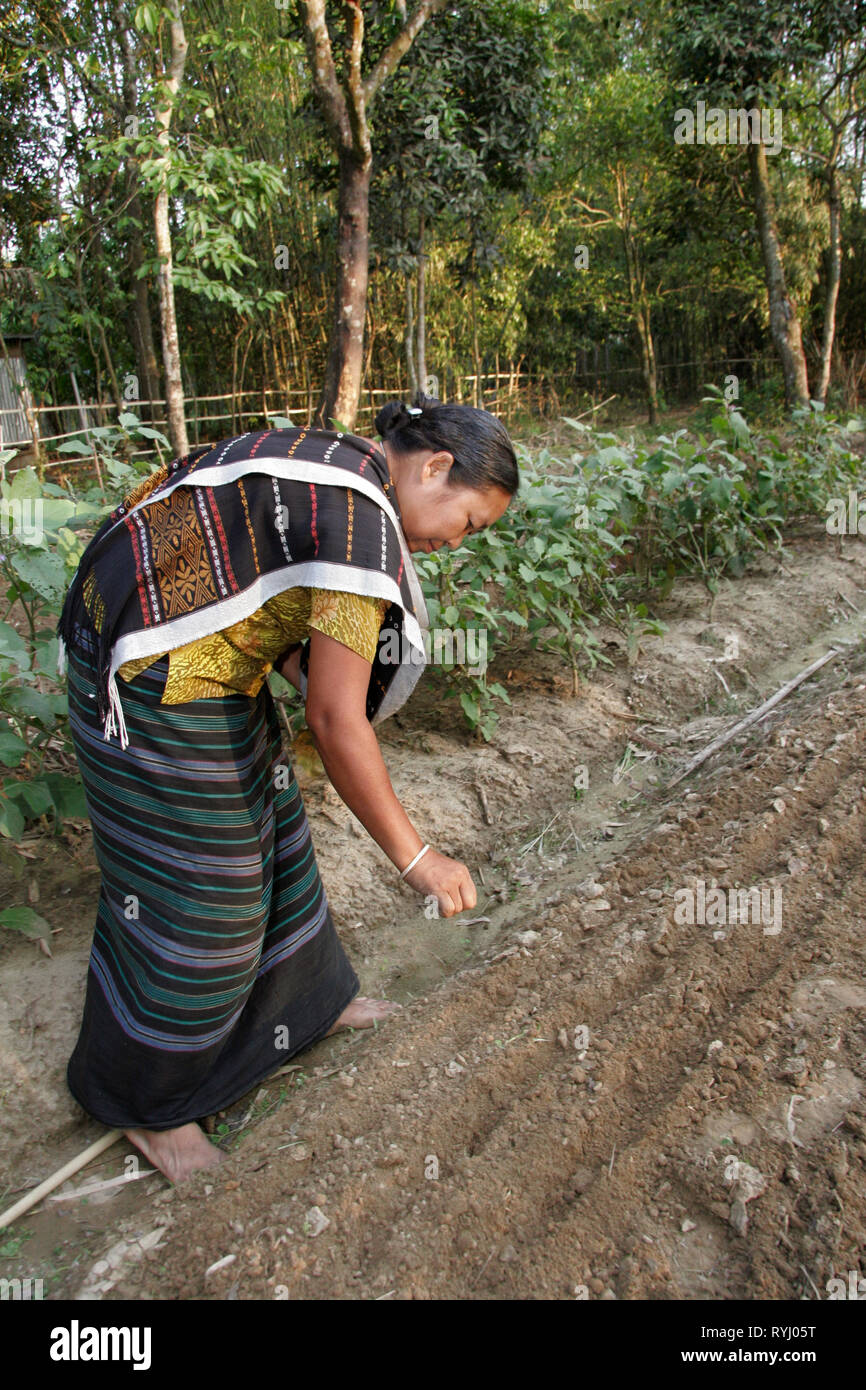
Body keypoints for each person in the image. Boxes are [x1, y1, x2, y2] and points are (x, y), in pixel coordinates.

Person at [56, 394, 519, 1182]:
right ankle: (147, 1103)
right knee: (214, 891)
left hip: (195, 653)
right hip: (140, 670)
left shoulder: (341, 467)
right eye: (467, 522)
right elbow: (337, 722)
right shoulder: (363, 525)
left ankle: (307, 1009)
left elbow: (249, 579)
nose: (450, 545)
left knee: (273, 819)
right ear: (436, 467)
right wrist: (421, 861)